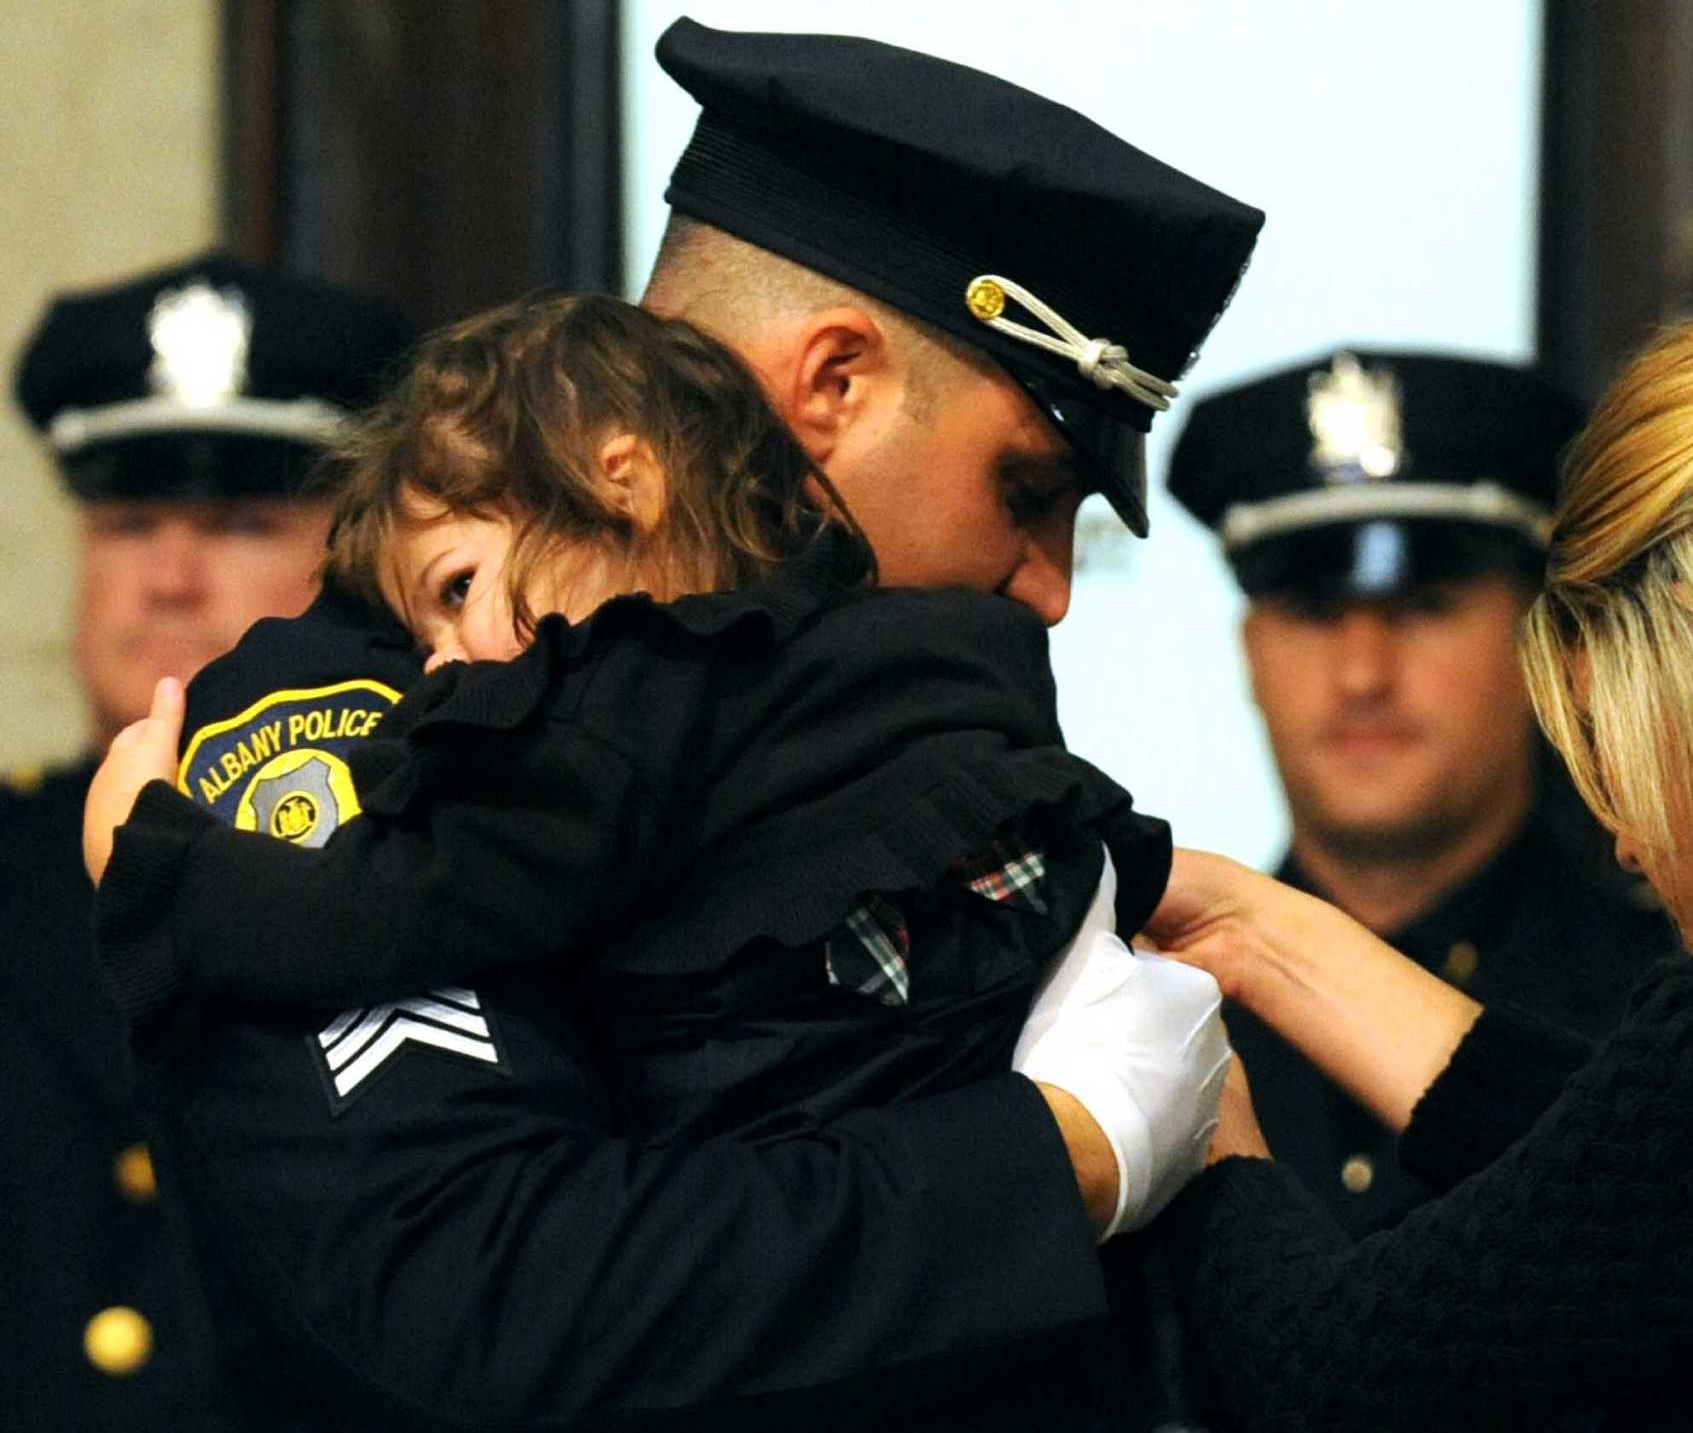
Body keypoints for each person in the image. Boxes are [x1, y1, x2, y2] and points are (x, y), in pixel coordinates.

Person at [83, 21, 1263, 1432]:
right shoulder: (390, 710)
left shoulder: (882, 731)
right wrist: (1061, 1154)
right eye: (1027, 488)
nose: (1050, 590)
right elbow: (478, 1300)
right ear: (833, 384)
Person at [88, 291, 1225, 1243]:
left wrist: (161, 866)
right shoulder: (886, 647)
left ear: (621, 482)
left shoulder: (607, 713)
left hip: (821, 1155)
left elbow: (399, 903)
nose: (438, 665)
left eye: (455, 586)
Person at [1144, 298, 1693, 1428]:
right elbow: (1624, 1165)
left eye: (1611, 749)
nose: (1619, 832)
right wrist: (1253, 931)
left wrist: (1189, 1078)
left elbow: (1326, 1377)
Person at [0, 253, 411, 1428]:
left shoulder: (449, 873)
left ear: (351, 555)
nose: (171, 578)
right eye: (129, 521)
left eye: (241, 520)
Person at [1166, 352, 1674, 1233]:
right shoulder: (1156, 1009)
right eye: (1314, 613)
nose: (1362, 674)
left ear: (1546, 647)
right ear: (1250, 652)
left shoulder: (1669, 1007)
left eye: (1425, 604)